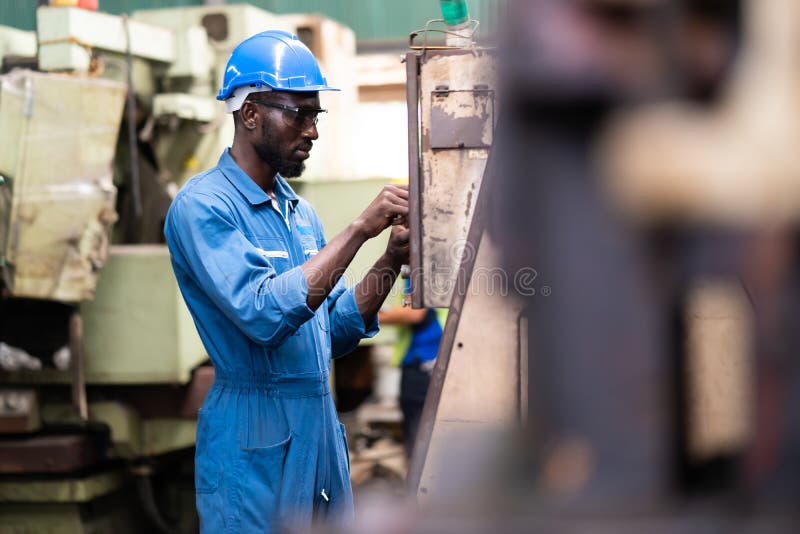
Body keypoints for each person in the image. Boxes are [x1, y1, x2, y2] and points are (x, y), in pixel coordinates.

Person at [164, 30, 409, 533]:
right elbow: (264, 314)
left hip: (317, 429)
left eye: (315, 115)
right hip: (254, 437)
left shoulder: (300, 214)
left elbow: (336, 329)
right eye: (298, 113)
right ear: (250, 113)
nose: (312, 130)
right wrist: (360, 230)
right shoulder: (204, 208)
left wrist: (391, 258)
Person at [378, 278, 445, 458]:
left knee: (419, 436)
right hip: (430, 360)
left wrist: (365, 315)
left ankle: (419, 483)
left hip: (423, 361)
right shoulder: (432, 265)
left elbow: (415, 312)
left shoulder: (420, 267)